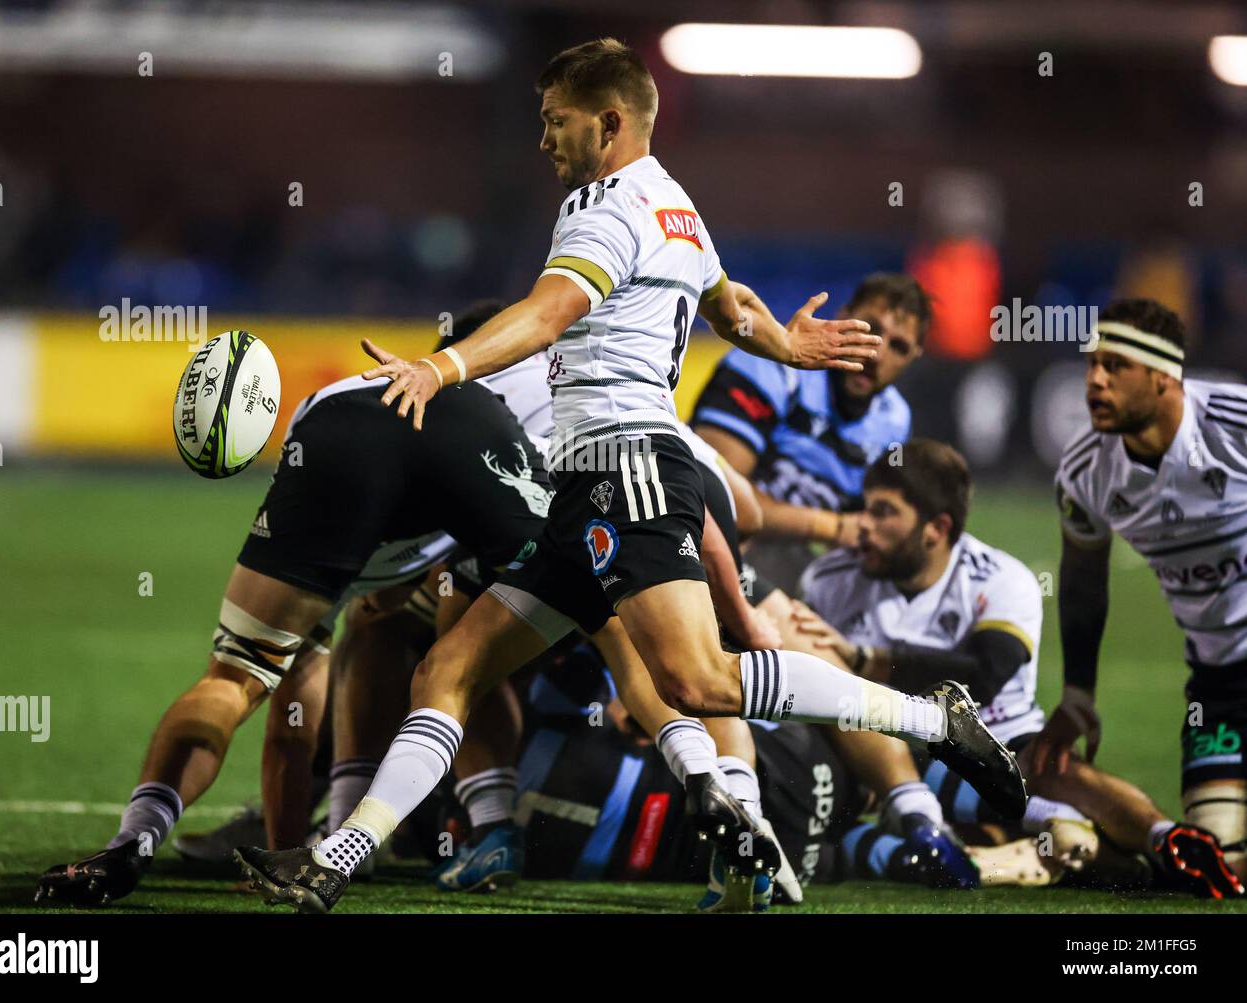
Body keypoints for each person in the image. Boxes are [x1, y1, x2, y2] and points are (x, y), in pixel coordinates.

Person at [234, 38, 1025, 914]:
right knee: (448, 670)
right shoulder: (676, 203)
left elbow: (546, 313)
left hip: (629, 470)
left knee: (699, 680)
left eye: (555, 122)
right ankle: (333, 862)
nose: (544, 140)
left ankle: (934, 719)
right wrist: (787, 343)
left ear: (608, 124)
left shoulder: (606, 209)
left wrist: (439, 369)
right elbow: (729, 302)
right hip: (581, 490)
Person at [34, 308, 554, 906]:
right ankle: (660, 765)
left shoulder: (336, 426)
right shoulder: (530, 386)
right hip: (472, 454)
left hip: (336, 427)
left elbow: (291, 730)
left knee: (233, 679)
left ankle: (132, 842)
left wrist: (282, 851)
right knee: (559, 630)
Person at [799, 437, 1243, 898]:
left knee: (1056, 771)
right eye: (864, 508)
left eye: (883, 512)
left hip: (999, 741)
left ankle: (1167, 839)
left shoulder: (1000, 577)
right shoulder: (829, 579)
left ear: (935, 528)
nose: (861, 526)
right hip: (887, 752)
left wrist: (862, 659)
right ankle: (1112, 860)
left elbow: (985, 675)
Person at [1031, 297, 1247, 896]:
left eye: (1115, 366)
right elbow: (1079, 585)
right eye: (1091, 365)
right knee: (1219, 872)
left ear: (1162, 377)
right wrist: (1077, 694)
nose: (1095, 381)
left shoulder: (1233, 421)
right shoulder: (1085, 473)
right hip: (1219, 688)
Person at [691, 272, 928, 593]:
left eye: (898, 346)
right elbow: (713, 497)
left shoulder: (896, 422)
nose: (876, 354)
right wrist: (831, 527)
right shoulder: (768, 367)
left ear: (913, 358)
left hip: (788, 560)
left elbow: (870, 528)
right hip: (703, 545)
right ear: (843, 316)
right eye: (869, 330)